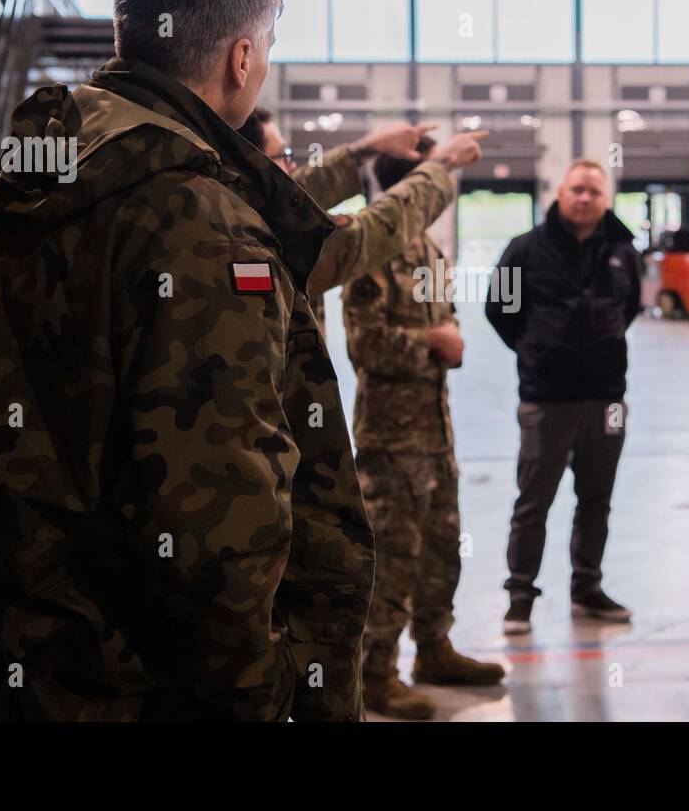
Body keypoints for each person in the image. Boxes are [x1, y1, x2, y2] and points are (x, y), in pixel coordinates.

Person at [0, 0, 370, 720]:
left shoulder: (18, 186)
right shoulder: (198, 217)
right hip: (161, 685)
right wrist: (257, 691)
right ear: (242, 59)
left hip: (41, 656)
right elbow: (218, 512)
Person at [341, 136, 499, 721]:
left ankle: (434, 649)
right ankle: (375, 675)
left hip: (436, 433)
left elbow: (445, 319)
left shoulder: (430, 252)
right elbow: (363, 345)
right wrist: (430, 342)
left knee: (441, 550)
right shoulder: (371, 252)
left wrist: (448, 335)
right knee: (394, 558)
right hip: (390, 439)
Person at [485, 159, 641, 636]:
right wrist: (536, 350)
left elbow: (629, 306)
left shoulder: (623, 249)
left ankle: (587, 588)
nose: (585, 198)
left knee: (597, 499)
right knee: (534, 501)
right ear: (560, 192)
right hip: (546, 399)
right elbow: (499, 309)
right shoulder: (524, 249)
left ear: (606, 197)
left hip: (609, 399)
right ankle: (520, 596)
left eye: (594, 191)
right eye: (577, 189)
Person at [238, 107, 482, 304]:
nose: (293, 166)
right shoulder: (267, 238)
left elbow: (301, 190)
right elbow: (374, 230)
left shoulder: (241, 210)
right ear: (254, 167)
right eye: (284, 155)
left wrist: (367, 148)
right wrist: (443, 163)